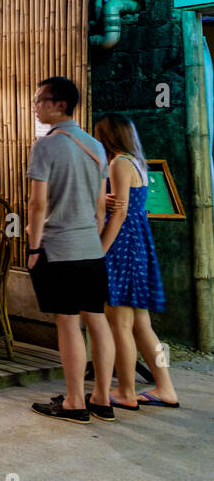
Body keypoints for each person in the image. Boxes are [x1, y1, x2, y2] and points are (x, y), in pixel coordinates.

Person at [26, 76, 115, 423]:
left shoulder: (45, 147)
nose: (36, 107)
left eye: (39, 100)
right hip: (91, 250)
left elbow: (37, 204)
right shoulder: (95, 146)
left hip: (59, 249)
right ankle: (102, 398)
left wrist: (33, 248)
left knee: (68, 324)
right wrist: (91, 238)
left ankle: (75, 401)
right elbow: (100, 207)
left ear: (59, 104)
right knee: (98, 321)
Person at [93, 114, 179, 410]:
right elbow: (123, 202)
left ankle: (127, 392)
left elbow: (119, 212)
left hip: (122, 245)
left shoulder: (119, 163)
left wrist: (101, 250)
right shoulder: (137, 161)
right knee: (142, 324)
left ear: (108, 136)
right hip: (139, 244)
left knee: (120, 323)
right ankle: (165, 386)